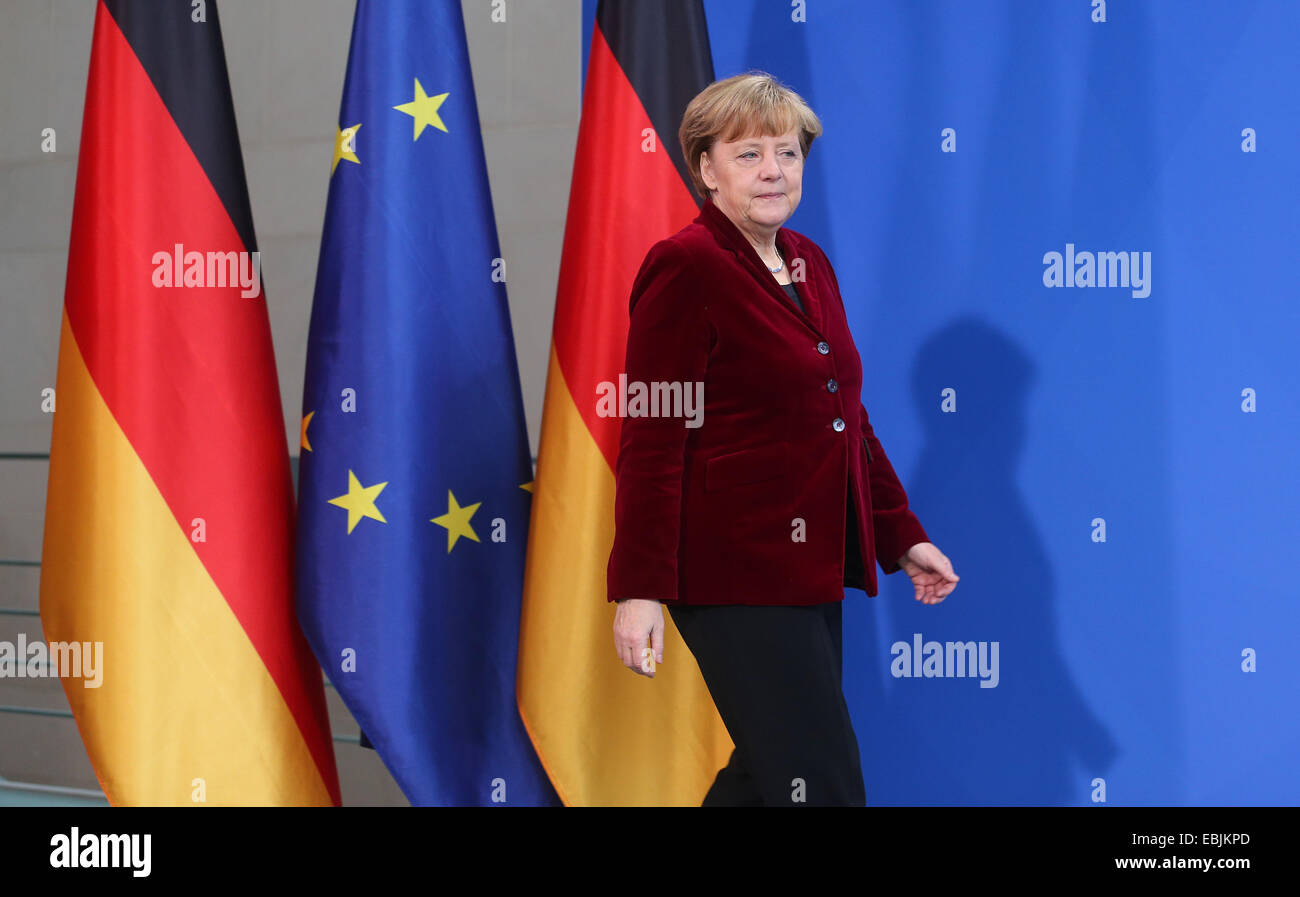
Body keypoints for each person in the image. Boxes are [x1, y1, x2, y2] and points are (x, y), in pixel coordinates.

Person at [605, 71, 960, 806]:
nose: (773, 170)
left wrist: (901, 536)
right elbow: (651, 435)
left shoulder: (809, 262)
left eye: (788, 153)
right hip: (730, 571)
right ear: (705, 169)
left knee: (772, 777)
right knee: (821, 779)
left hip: (808, 566)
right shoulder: (686, 267)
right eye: (748, 154)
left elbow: (846, 416)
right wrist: (639, 586)